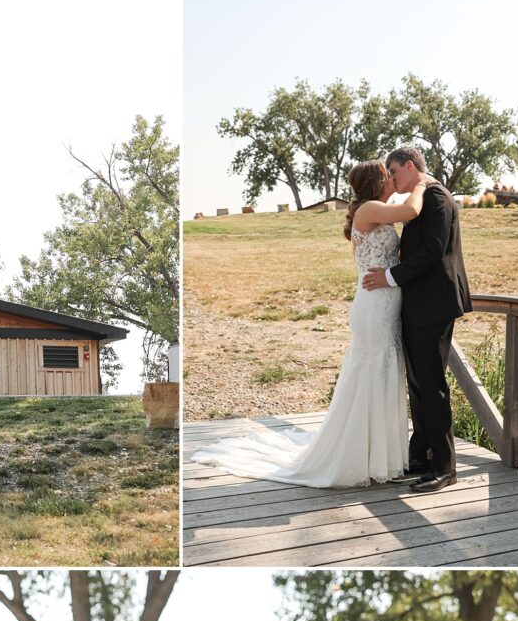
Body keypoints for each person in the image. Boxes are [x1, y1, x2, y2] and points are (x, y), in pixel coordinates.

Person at [190, 159, 432, 488]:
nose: (392, 179)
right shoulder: (368, 209)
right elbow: (412, 212)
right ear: (376, 184)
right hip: (373, 307)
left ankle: (382, 457)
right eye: (387, 176)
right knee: (373, 372)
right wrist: (421, 183)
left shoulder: (374, 209)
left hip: (386, 304)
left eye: (394, 174)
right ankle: (361, 457)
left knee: (384, 372)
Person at [360, 146, 473, 491]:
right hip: (417, 305)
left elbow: (432, 250)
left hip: (434, 305)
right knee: (419, 383)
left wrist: (390, 277)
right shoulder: (418, 199)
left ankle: (444, 466)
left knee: (432, 384)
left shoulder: (436, 196)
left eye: (394, 172)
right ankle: (421, 455)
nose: (392, 180)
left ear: (410, 167)